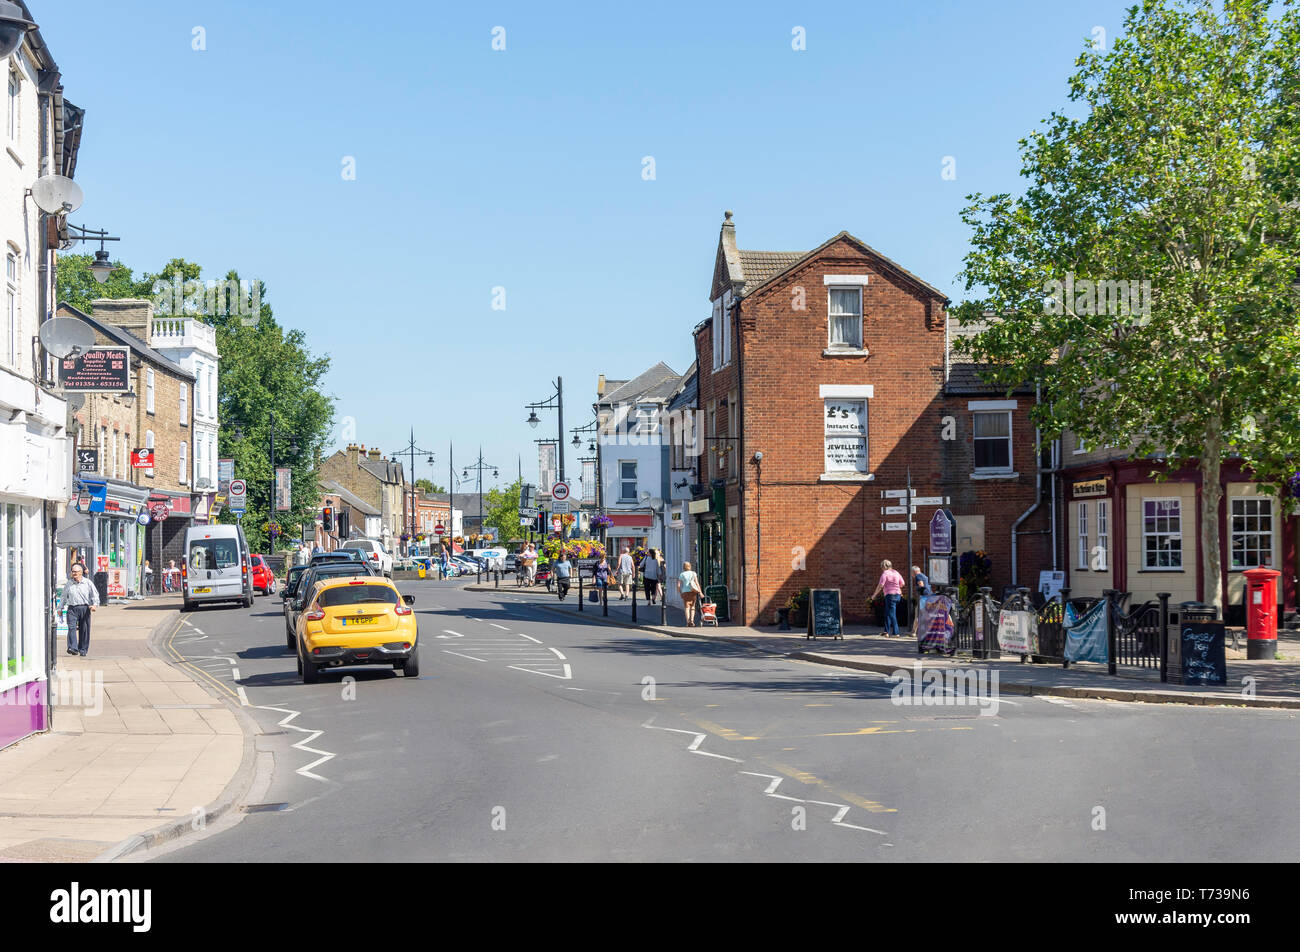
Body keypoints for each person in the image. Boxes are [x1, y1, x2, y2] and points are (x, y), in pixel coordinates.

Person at [61, 562, 99, 656]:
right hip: (72, 608)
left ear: (81, 572)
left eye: (76, 572)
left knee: (84, 629)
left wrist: (94, 605)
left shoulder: (87, 583)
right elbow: (63, 596)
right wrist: (60, 608)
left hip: (84, 608)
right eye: (73, 572)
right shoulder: (69, 583)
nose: (74, 574)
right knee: (71, 627)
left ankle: (83, 649)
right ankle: (73, 648)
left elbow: (94, 594)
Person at [870, 559, 906, 637]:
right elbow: (903, 583)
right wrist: (896, 587)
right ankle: (886, 632)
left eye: (881, 567)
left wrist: (874, 595)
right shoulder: (896, 572)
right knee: (887, 613)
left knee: (892, 614)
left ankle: (896, 633)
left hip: (890, 596)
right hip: (898, 595)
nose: (881, 569)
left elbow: (880, 585)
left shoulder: (885, 573)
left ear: (884, 566)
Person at [678, 561, 703, 626]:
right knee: (693, 607)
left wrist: (680, 593)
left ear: (683, 567)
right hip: (693, 592)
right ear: (690, 566)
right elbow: (697, 583)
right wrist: (700, 592)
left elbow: (678, 585)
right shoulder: (693, 573)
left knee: (686, 608)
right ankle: (692, 621)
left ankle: (688, 622)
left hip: (685, 592)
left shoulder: (682, 574)